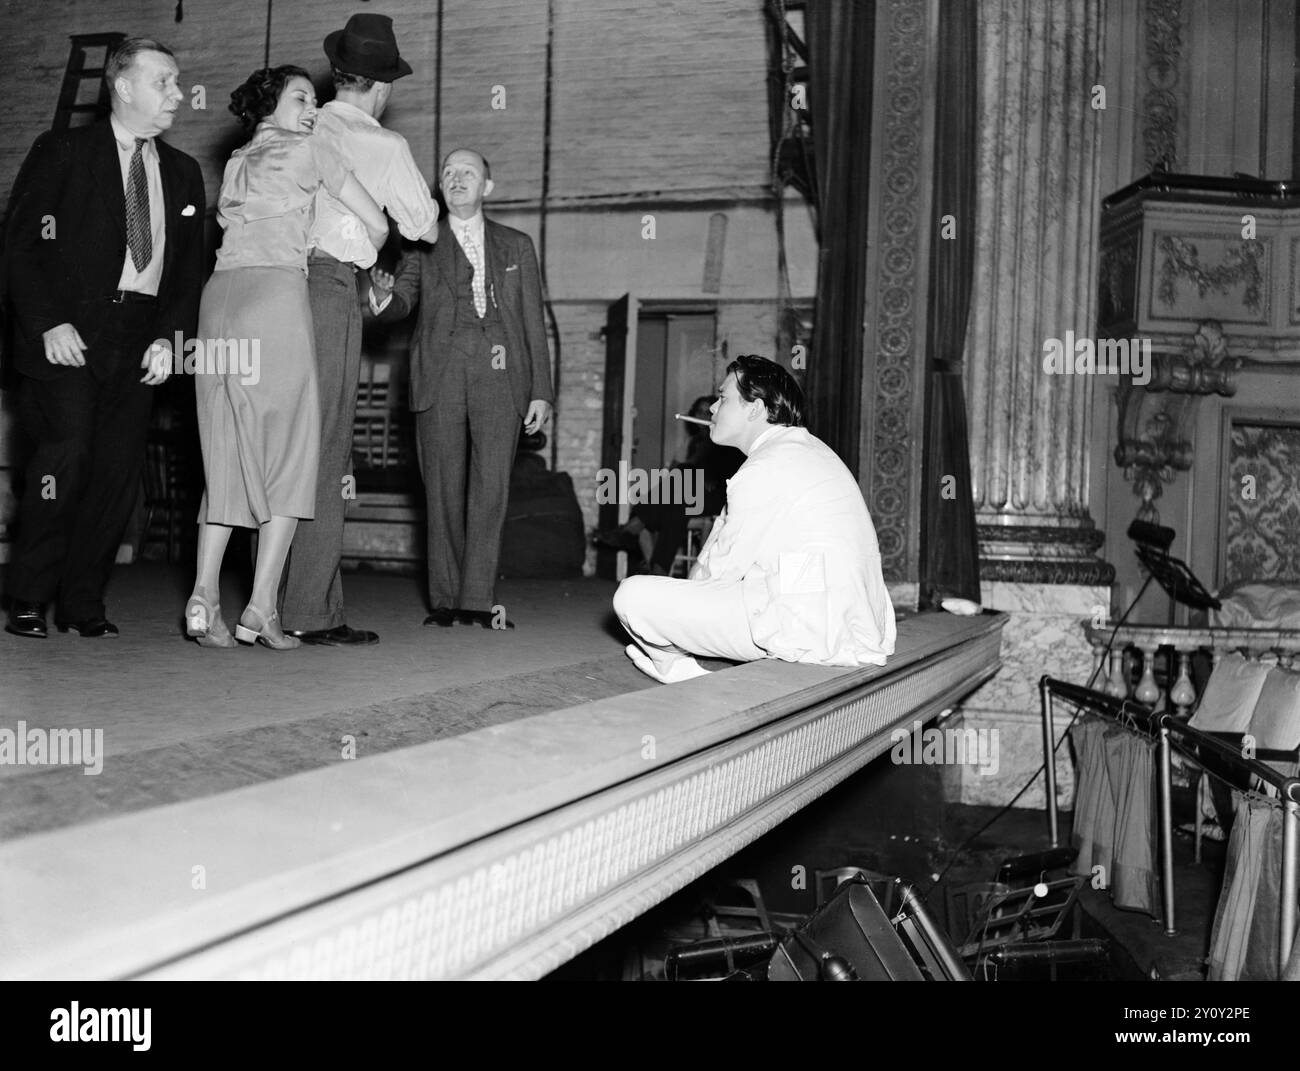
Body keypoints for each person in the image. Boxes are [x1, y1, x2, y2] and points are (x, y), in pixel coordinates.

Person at [3, 37, 205, 640]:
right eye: (163, 82)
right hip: (67, 335)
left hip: (140, 338)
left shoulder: (184, 172)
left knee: (115, 473)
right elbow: (20, 246)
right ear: (122, 86)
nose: (177, 94)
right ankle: (29, 597)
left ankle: (84, 601)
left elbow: (187, 271)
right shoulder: (63, 149)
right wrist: (46, 324)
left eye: (176, 83)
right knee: (64, 460)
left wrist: (170, 338)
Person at [185, 66, 387, 650]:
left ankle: (203, 596)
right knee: (294, 453)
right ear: (272, 104)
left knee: (225, 453)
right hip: (275, 296)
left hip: (218, 300)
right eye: (301, 97)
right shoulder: (316, 145)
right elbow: (375, 219)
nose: (313, 106)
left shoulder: (236, 160)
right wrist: (359, 247)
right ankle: (261, 607)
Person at [278, 12, 439, 647]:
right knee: (325, 444)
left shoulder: (300, 121)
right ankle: (309, 610)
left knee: (281, 442)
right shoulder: (384, 145)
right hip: (327, 288)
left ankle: (265, 596)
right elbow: (423, 227)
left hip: (269, 282)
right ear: (382, 86)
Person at [613, 355, 896, 683]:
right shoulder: (807, 450)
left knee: (632, 595)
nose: (712, 409)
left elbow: (719, 574)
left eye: (723, 398)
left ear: (755, 408)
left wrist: (673, 615)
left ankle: (677, 668)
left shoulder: (765, 466)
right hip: (850, 623)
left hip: (810, 630)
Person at [371, 148, 553, 630]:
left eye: (467, 172)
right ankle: (447, 600)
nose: (456, 179)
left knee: (491, 489)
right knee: (443, 488)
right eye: (449, 172)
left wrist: (541, 391)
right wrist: (382, 297)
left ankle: (477, 600)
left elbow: (533, 322)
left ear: (486, 187)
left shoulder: (516, 245)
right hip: (442, 371)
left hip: (501, 375)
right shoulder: (420, 242)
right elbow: (402, 300)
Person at [592, 395, 744, 575]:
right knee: (677, 506)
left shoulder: (728, 439)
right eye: (699, 412)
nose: (703, 415)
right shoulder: (694, 442)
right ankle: (658, 570)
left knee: (680, 478)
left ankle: (633, 527)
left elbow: (730, 474)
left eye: (707, 411)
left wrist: (704, 475)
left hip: (718, 496)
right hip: (688, 495)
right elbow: (672, 473)